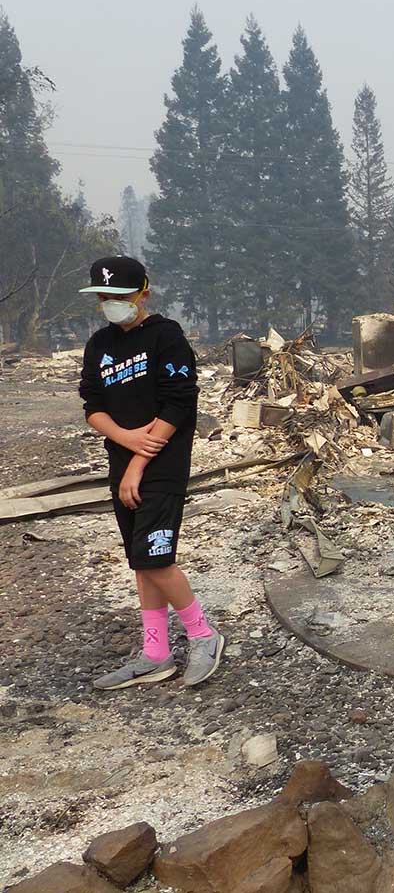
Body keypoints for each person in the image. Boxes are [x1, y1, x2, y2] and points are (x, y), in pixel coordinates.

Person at [78, 255, 225, 690]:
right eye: (104, 296)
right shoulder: (99, 345)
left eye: (120, 295)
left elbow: (180, 402)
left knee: (155, 557)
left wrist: (141, 459)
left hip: (162, 464)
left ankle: (204, 634)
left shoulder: (167, 337)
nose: (112, 303)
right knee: (141, 560)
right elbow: (92, 406)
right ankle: (155, 653)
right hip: (123, 460)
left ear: (143, 291)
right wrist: (126, 443)